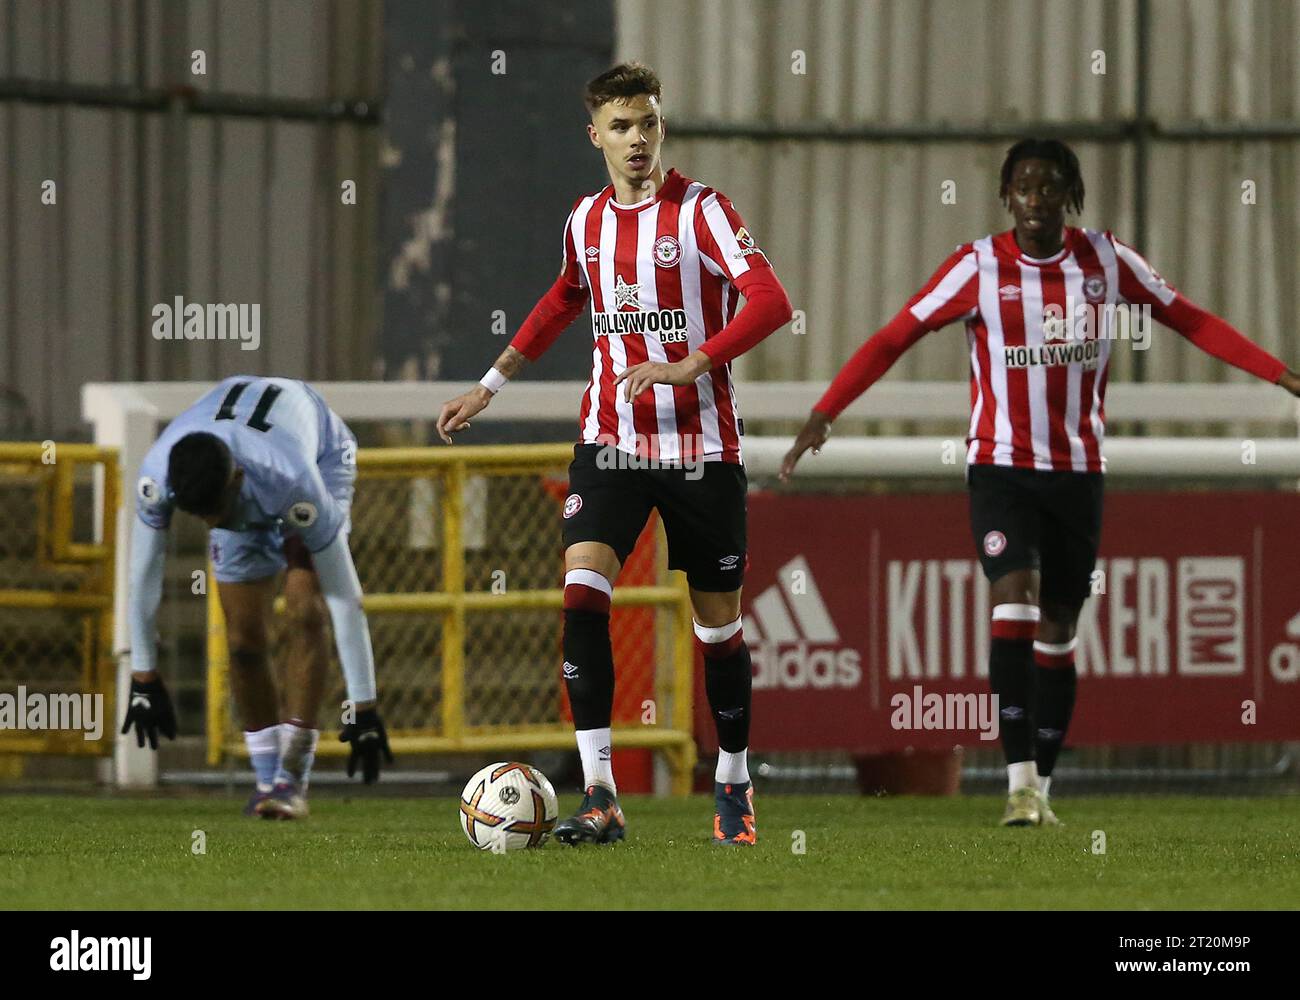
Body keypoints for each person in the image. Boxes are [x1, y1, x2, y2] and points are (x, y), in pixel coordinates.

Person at [781, 138, 1300, 826]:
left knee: (1058, 630)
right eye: (1023, 189)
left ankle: (1043, 788)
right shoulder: (977, 267)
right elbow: (893, 336)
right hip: (1001, 468)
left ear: (1069, 197)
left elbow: (1192, 318)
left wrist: (1283, 376)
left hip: (1077, 476)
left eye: (1049, 189)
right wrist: (825, 412)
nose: (1035, 202)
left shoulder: (1108, 263)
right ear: (1006, 198)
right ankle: (1018, 783)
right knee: (1013, 603)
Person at [436, 62, 793, 845]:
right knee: (582, 593)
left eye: (650, 123)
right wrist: (490, 384)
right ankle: (600, 794)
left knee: (718, 632)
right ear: (594, 135)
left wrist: (691, 362)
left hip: (701, 448)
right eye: (622, 126)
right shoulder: (584, 221)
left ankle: (732, 782)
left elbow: (773, 301)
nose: (638, 140)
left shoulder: (702, 213)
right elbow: (566, 294)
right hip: (610, 441)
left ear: (662, 127)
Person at [121, 376, 393, 818]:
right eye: (201, 516)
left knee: (305, 610)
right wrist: (143, 677)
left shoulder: (296, 484)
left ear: (237, 480)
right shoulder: (158, 475)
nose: (212, 524)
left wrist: (364, 706)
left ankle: (291, 777)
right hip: (252, 467)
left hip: (320, 453)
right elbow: (142, 577)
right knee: (244, 641)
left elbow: (345, 597)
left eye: (218, 512)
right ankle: (267, 783)